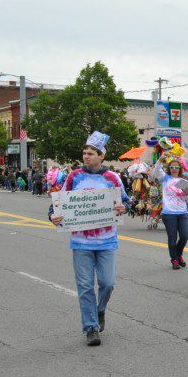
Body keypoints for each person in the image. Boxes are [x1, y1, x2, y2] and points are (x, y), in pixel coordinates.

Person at [48, 132, 130, 346]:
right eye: (84, 153)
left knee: (107, 283)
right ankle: (91, 328)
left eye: (91, 153)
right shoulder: (74, 176)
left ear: (102, 155)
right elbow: (58, 203)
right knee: (85, 286)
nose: (86, 156)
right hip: (81, 242)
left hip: (106, 240)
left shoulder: (112, 178)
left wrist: (123, 207)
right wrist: (53, 216)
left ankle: (100, 310)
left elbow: (127, 202)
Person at [152, 155, 188, 269]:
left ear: (180, 168)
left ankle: (178, 254)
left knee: (184, 236)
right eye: (172, 167)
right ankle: (174, 259)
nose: (174, 169)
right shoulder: (165, 178)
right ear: (169, 168)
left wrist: (186, 193)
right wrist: (160, 160)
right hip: (169, 213)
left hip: (182, 213)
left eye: (176, 167)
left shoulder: (183, 181)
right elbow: (157, 170)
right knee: (172, 237)